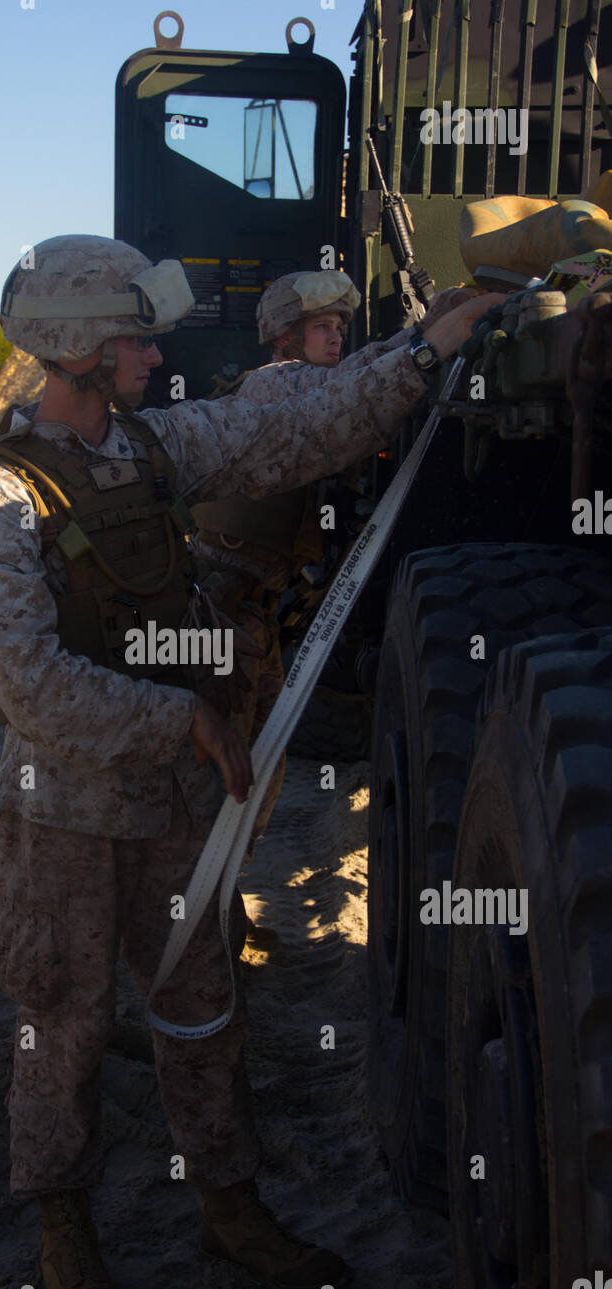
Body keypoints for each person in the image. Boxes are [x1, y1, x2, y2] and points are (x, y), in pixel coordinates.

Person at [0, 234, 501, 1289]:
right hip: (60, 810)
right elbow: (31, 689)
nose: (154, 358)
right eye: (133, 341)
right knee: (58, 1020)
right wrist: (183, 721)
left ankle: (227, 1205)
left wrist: (426, 349)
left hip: (167, 807)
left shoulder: (153, 450)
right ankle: (65, 1240)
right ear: (74, 353)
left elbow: (286, 425)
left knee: (201, 1004)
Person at [191, 270, 483, 861]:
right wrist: (431, 334)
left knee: (256, 765)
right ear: (283, 340)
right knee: (216, 776)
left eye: (340, 327)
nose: (336, 338)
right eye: (321, 327)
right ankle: (194, 912)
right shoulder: (274, 387)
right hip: (223, 610)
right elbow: (357, 382)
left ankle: (222, 904)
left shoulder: (307, 385)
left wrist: (430, 325)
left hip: (255, 614)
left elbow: (360, 368)